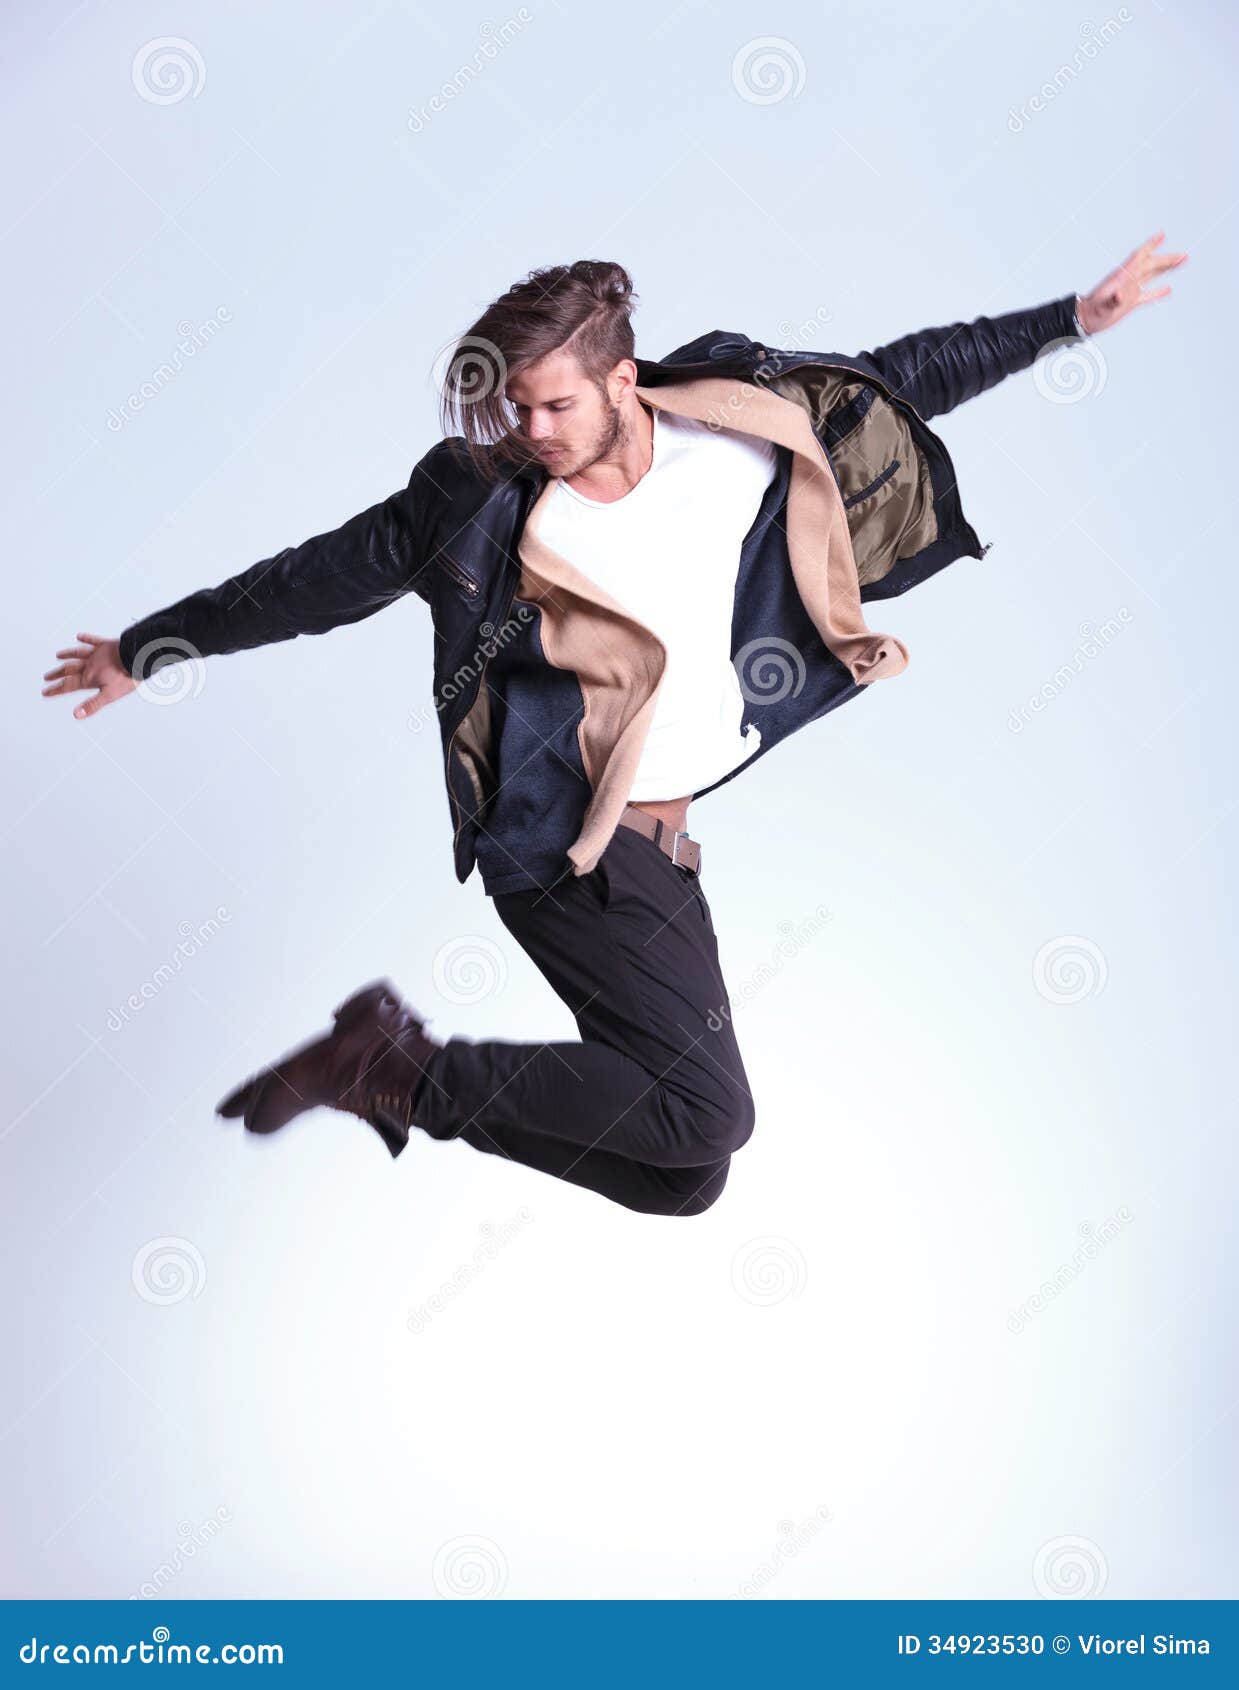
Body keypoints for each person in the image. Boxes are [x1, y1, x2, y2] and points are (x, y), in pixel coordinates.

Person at [42, 238, 1185, 1216]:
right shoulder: (480, 506)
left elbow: (905, 375)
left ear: (624, 379)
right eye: (515, 405)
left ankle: (394, 1069)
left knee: (683, 1173)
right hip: (565, 846)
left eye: (556, 403)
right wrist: (149, 647)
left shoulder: (742, 430)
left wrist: (1073, 321)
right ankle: (395, 1067)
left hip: (663, 853)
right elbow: (315, 579)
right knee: (708, 1110)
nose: (530, 427)